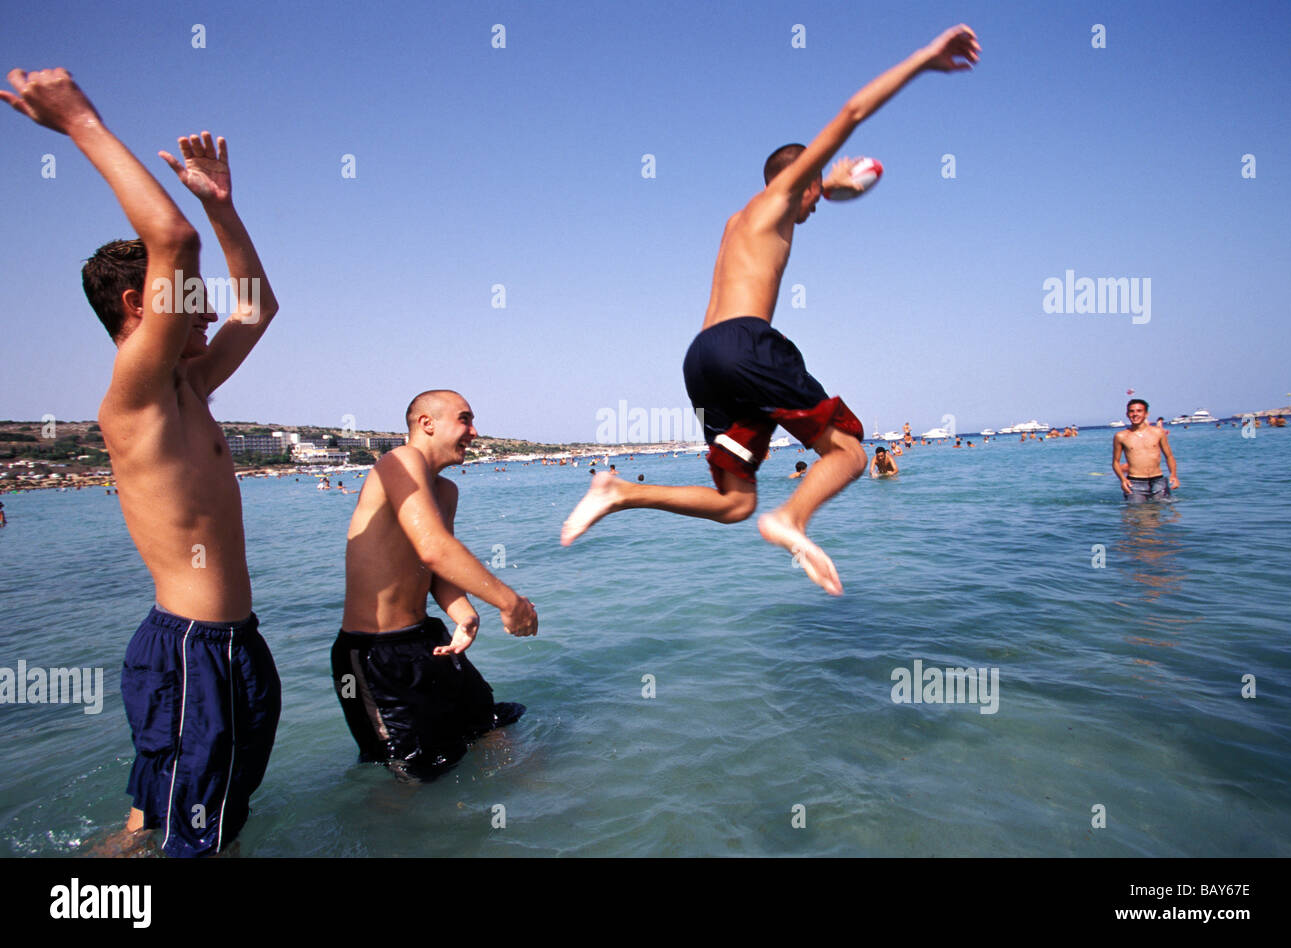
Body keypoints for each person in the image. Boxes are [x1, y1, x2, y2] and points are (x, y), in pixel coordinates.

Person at [561, 26, 980, 595]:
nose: (818, 206)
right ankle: (792, 520)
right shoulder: (781, 198)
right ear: (801, 179)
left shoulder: (746, 218)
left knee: (736, 503)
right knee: (850, 452)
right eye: (815, 189)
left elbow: (804, 196)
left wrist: (828, 188)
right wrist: (926, 59)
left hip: (702, 359)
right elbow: (853, 111)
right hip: (745, 344)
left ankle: (620, 492)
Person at [2, 69, 279, 856]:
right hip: (195, 647)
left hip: (221, 644)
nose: (211, 306)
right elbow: (173, 242)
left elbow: (259, 306)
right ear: (141, 307)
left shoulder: (189, 387)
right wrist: (79, 120)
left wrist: (221, 206)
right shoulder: (136, 397)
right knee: (200, 840)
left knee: (157, 828)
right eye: (191, 295)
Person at [333, 390, 538, 782]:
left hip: (427, 638)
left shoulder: (446, 491)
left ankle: (517, 812)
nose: (474, 432)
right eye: (465, 419)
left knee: (485, 726)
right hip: (375, 655)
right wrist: (509, 602)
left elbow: (436, 570)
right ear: (427, 423)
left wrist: (464, 613)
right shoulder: (400, 460)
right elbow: (434, 549)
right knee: (411, 771)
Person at [1113, 398, 1179, 501]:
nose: (1135, 414)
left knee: (1166, 512)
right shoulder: (1121, 436)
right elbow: (1115, 462)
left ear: (1146, 414)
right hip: (1135, 482)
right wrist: (1122, 480)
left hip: (1158, 480)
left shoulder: (1158, 433)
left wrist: (1173, 475)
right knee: (1137, 513)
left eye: (1139, 411)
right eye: (1131, 411)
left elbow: (1169, 456)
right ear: (1127, 414)